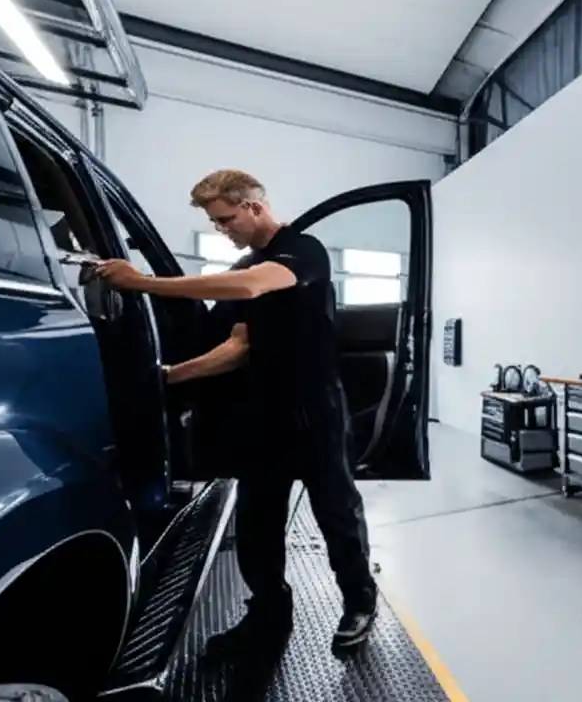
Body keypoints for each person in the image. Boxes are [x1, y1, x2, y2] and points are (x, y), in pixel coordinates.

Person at [96, 170, 378, 653]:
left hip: (316, 412)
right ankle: (268, 614)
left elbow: (249, 287)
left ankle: (359, 601)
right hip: (264, 414)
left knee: (336, 514)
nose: (221, 229)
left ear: (254, 207)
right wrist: (165, 377)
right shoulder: (249, 262)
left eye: (226, 220)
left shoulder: (301, 250)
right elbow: (237, 348)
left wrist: (141, 283)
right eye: (215, 222)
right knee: (256, 523)